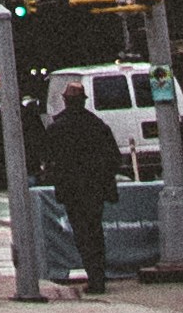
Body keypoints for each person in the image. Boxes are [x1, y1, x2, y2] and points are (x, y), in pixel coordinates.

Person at [37, 80, 124, 295]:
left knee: (83, 234)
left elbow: (48, 159)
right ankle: (98, 277)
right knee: (95, 231)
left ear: (66, 101)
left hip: (72, 190)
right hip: (95, 188)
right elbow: (115, 158)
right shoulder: (98, 126)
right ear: (83, 102)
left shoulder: (58, 128)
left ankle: (95, 277)